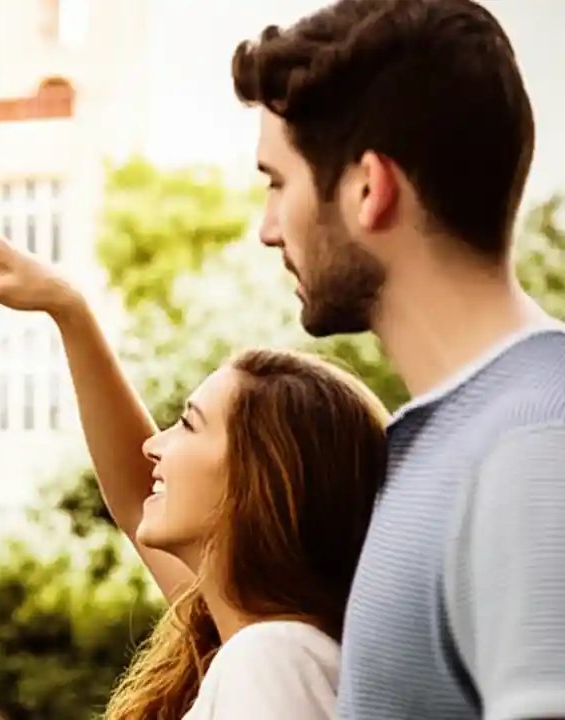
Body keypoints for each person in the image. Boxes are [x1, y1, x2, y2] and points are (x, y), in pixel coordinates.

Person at [231, 0, 565, 717]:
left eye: (277, 181)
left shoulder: (535, 448)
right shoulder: (453, 448)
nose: (265, 228)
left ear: (367, 189)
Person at [0, 237, 390, 719]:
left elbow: (138, 497)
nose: (154, 446)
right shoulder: (253, 638)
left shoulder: (272, 656)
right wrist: (64, 308)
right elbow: (137, 499)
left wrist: (65, 306)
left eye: (189, 423)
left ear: (262, 480)